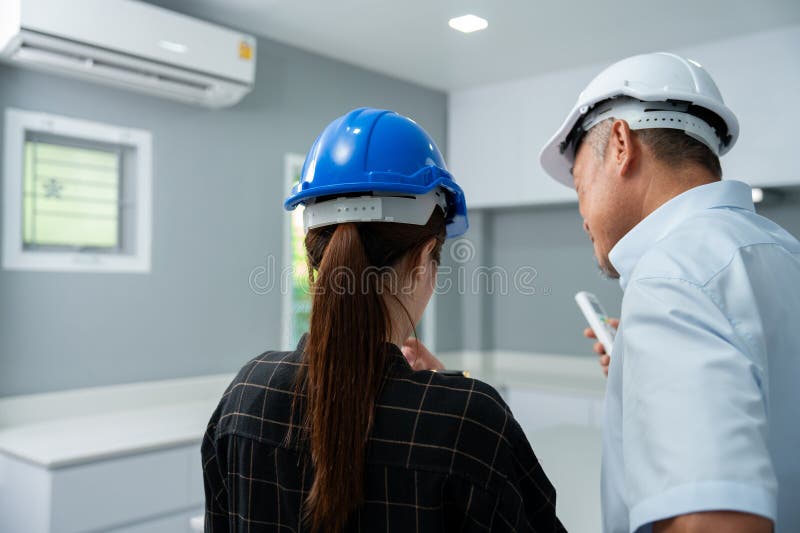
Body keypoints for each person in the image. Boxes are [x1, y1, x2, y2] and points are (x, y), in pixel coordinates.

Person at [202, 108, 565, 532]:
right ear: (424, 258)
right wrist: (448, 396)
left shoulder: (247, 393)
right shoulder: (471, 419)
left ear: (315, 256)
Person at [539, 52, 800, 532]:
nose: (582, 213)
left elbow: (713, 522)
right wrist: (646, 374)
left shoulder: (670, 279)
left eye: (579, 187)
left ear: (620, 144)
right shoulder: (784, 252)